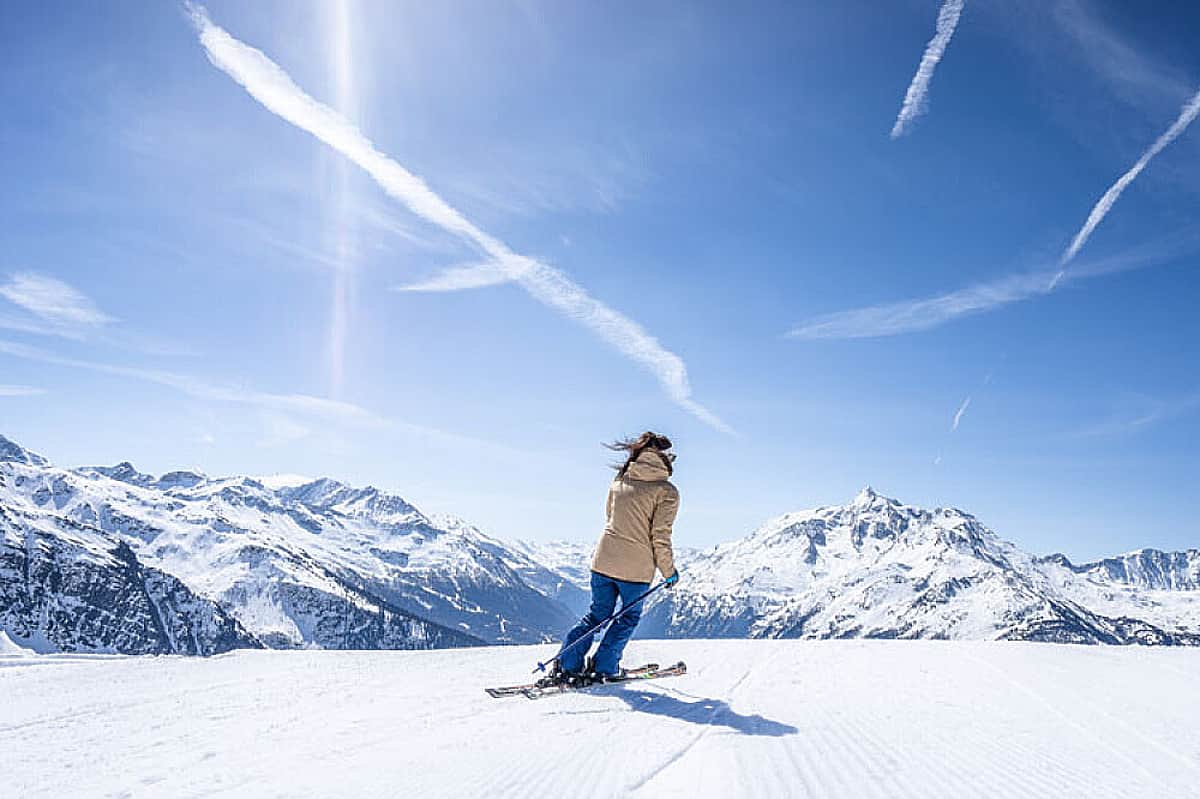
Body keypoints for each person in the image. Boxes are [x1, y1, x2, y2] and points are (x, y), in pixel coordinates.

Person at [557, 431, 681, 680]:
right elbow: (660, 537)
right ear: (664, 457)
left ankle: (568, 663)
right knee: (628, 617)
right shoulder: (666, 491)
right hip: (635, 570)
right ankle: (605, 666)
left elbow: (610, 516)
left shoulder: (621, 479)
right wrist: (669, 572)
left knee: (596, 614)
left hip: (603, 560)